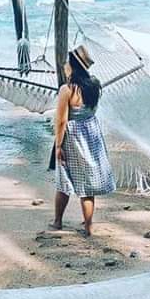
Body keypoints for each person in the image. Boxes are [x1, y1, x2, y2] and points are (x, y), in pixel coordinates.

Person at [49, 43, 115, 236]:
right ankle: (88, 226)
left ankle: (58, 222)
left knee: (63, 181)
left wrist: (59, 146)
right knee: (87, 187)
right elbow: (90, 112)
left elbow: (61, 121)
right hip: (91, 136)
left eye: (66, 63)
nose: (64, 65)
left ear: (73, 66)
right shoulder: (94, 85)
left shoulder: (67, 90)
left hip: (72, 138)